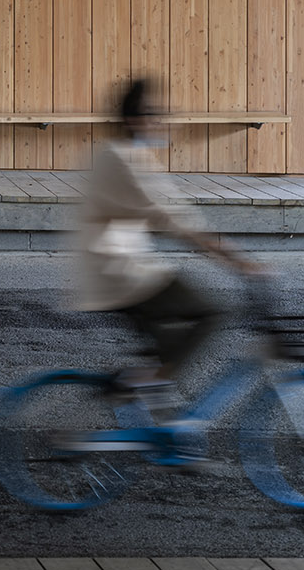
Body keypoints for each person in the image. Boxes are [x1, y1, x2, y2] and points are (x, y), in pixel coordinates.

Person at [74, 77, 266, 410]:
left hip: (119, 267)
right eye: (154, 113)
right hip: (121, 273)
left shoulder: (128, 155)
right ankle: (143, 384)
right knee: (211, 313)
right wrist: (239, 262)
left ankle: (164, 428)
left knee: (167, 360)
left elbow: (174, 212)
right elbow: (176, 220)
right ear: (135, 119)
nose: (162, 120)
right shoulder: (123, 160)